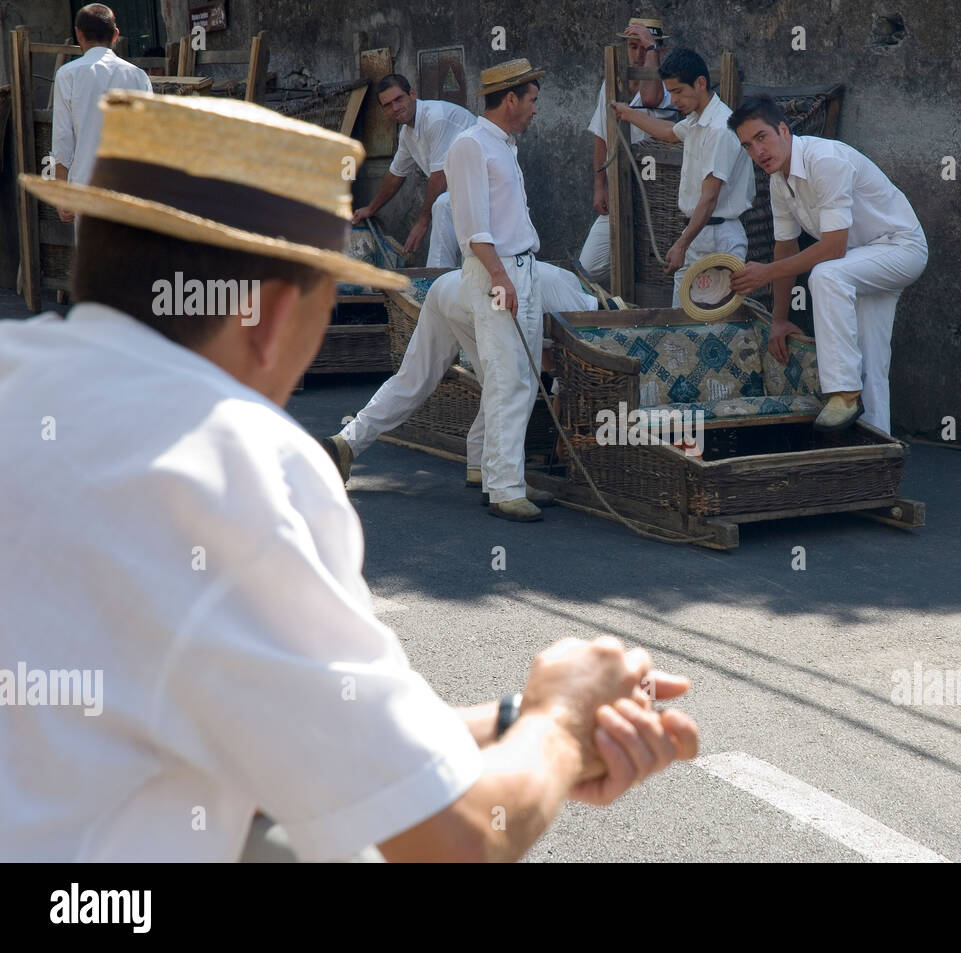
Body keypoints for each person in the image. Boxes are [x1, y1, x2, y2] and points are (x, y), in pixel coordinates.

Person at [1, 90, 698, 862]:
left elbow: (297, 724)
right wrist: (561, 727)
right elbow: (457, 839)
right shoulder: (229, 464)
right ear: (267, 319)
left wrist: (512, 722)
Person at [729, 96, 928, 434]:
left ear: (783, 129)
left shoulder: (825, 160)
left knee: (825, 274)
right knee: (871, 363)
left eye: (761, 137)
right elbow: (785, 248)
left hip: (899, 249)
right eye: (747, 146)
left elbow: (833, 247)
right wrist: (779, 320)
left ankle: (844, 393)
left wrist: (764, 273)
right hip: (860, 261)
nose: (757, 152)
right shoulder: (779, 181)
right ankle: (874, 459)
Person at [319, 263, 598, 495]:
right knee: (512, 386)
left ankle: (347, 442)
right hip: (483, 298)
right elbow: (566, 379)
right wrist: (564, 443)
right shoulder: (585, 313)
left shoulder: (562, 282)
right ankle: (497, 477)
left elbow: (547, 360)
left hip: (451, 287)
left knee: (413, 380)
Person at [444, 60, 555, 523]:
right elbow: (473, 228)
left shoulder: (502, 145)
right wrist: (501, 279)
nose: (534, 109)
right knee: (507, 376)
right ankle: (504, 487)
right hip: (496, 273)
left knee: (521, 380)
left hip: (519, 270)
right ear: (510, 99)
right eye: (531, 100)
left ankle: (502, 476)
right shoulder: (470, 145)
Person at [613, 48, 754, 307]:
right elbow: (669, 131)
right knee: (682, 318)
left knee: (715, 320)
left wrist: (680, 245)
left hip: (719, 235)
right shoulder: (697, 120)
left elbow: (709, 198)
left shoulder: (720, 128)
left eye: (678, 91)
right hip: (697, 231)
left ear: (700, 83)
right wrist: (629, 113)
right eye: (670, 92)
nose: (673, 99)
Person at [577, 16, 676, 286]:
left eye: (645, 47)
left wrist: (651, 49)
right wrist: (599, 185)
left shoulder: (669, 85)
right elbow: (601, 135)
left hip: (658, 195)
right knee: (588, 270)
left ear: (660, 50)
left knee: (654, 272)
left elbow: (650, 98)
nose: (638, 53)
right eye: (633, 47)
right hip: (620, 191)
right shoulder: (610, 85)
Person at [351, 74, 476, 267]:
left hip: (483, 186)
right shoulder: (407, 134)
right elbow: (395, 175)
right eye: (387, 105)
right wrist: (371, 208)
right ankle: (439, 282)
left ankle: (434, 281)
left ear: (412, 94)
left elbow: (439, 176)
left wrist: (423, 221)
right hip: (461, 193)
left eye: (399, 99)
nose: (395, 108)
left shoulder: (435, 118)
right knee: (443, 207)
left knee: (441, 206)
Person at [50, 3, 152, 223]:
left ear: (79, 34)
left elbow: (62, 140)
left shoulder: (68, 75)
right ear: (115, 35)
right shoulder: (138, 76)